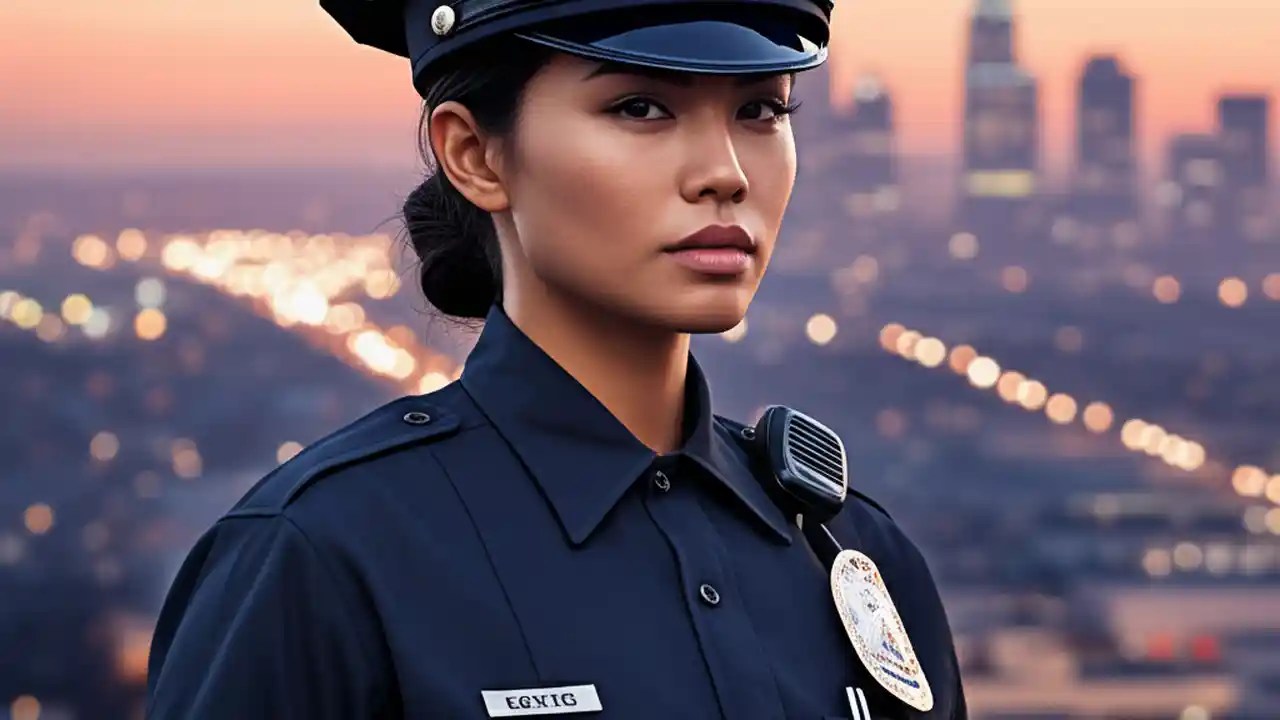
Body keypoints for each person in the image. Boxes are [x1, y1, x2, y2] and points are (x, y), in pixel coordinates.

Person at [144, 0, 967, 718]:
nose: (725, 173)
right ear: (475, 156)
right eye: (641, 107)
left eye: (761, 110)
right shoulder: (321, 558)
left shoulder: (856, 558)